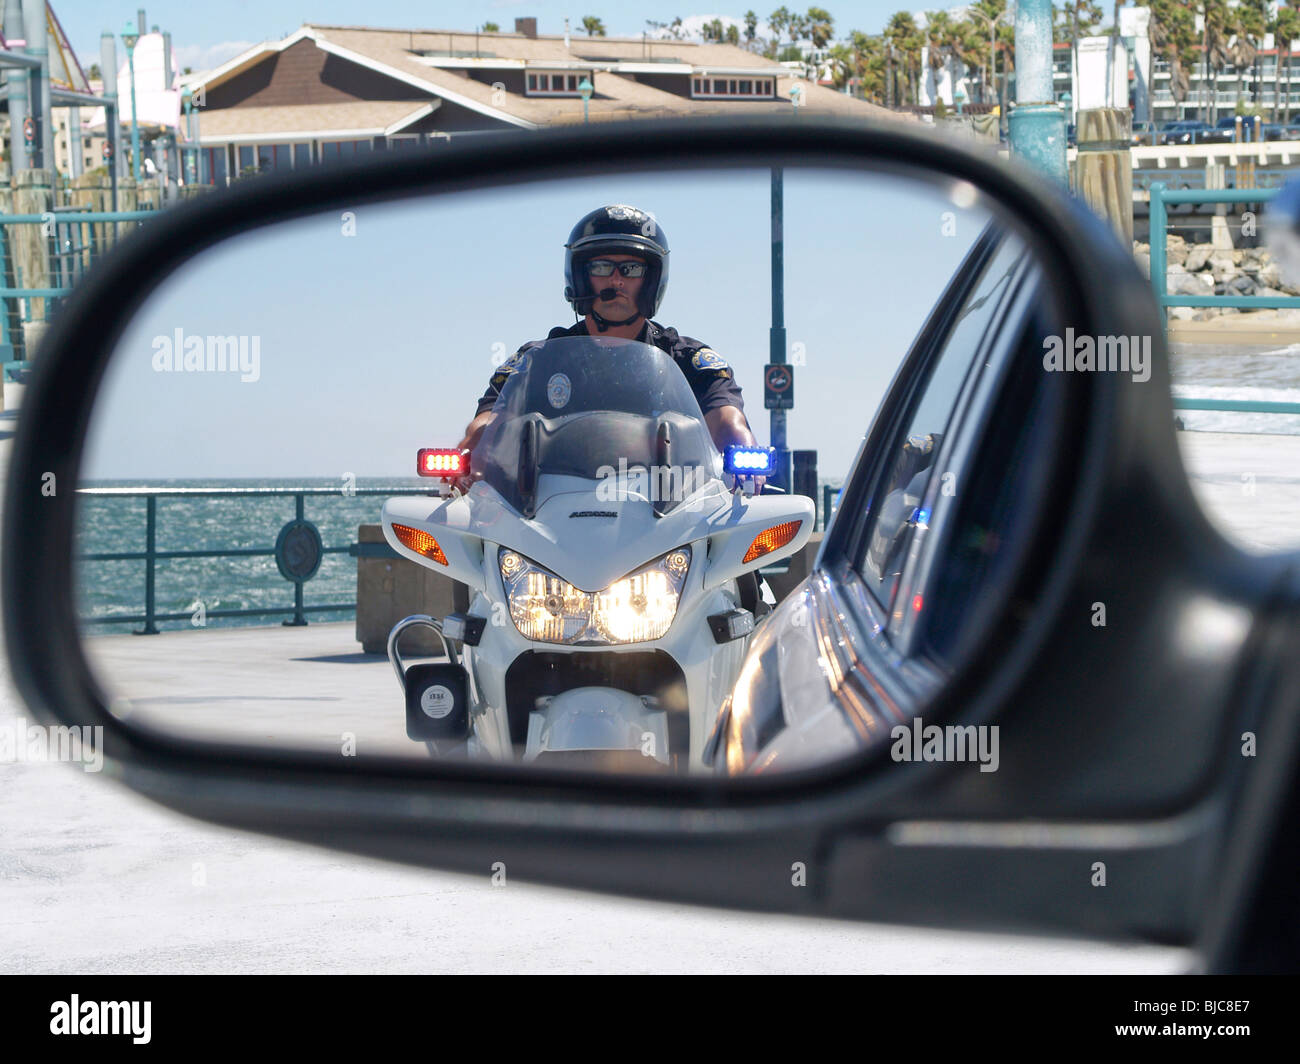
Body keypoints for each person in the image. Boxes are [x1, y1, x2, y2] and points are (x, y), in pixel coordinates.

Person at [456, 204, 763, 482]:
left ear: (652, 280)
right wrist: (471, 454)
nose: (616, 281)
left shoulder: (688, 361)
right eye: (601, 267)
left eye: (632, 269)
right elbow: (489, 423)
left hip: (672, 520)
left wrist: (741, 448)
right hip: (545, 519)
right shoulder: (536, 361)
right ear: (580, 277)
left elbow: (726, 419)